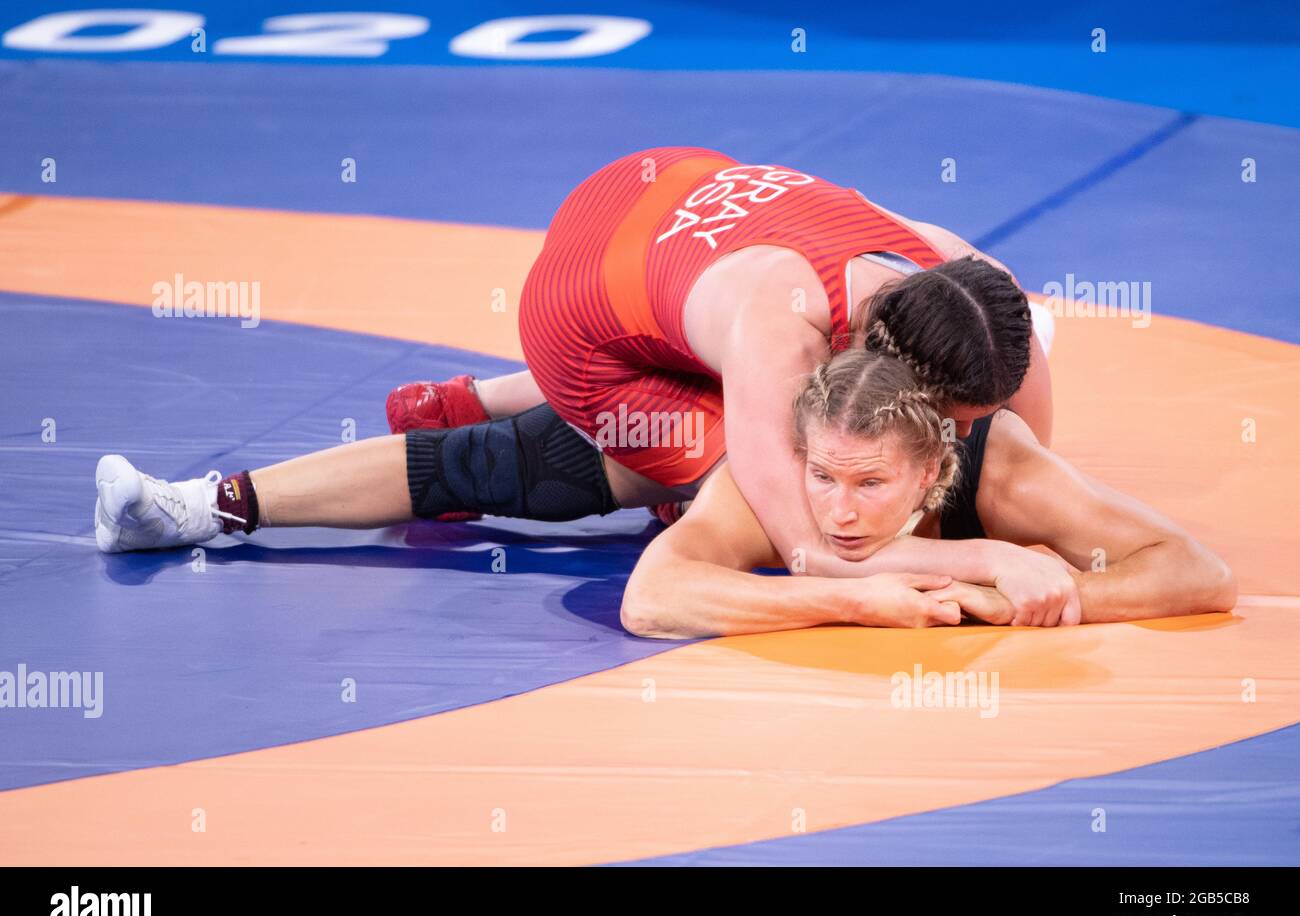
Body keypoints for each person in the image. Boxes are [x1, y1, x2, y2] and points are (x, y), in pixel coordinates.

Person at [381, 147, 1061, 604]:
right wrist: (987, 561)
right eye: (955, 419)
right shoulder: (783, 328)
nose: (966, 436)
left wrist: (1009, 488)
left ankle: (471, 400)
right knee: (782, 478)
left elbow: (1015, 454)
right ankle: (542, 432)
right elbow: (811, 552)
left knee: (740, 357)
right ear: (895, 371)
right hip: (574, 316)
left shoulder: (973, 283)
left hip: (657, 179)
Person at [617, 350, 1236, 638]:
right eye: (824, 476)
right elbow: (649, 599)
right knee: (532, 467)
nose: (838, 512)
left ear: (931, 470)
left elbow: (1200, 572)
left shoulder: (1003, 472)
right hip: (671, 417)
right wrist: (853, 602)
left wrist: (1049, 596)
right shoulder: (778, 477)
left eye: (871, 483)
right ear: (802, 454)